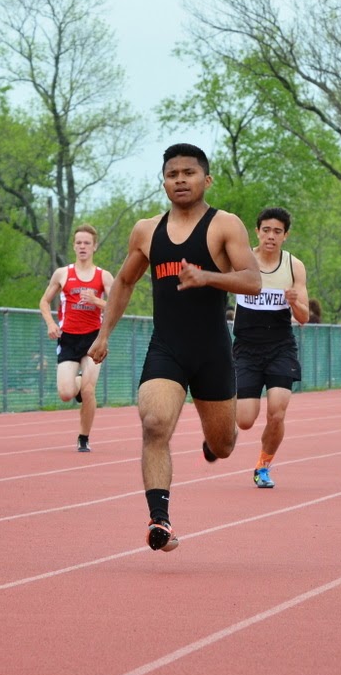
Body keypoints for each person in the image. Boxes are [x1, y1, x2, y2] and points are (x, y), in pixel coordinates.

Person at [87, 143, 260, 552]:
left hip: (213, 352)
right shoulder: (147, 230)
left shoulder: (224, 225)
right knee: (154, 423)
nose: (180, 180)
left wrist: (208, 278)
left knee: (224, 445)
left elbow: (252, 280)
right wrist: (104, 332)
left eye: (189, 173)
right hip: (167, 348)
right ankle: (159, 520)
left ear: (206, 179)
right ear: (163, 181)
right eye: (172, 174)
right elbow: (126, 282)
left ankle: (211, 440)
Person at [233, 207, 310, 489]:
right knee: (244, 420)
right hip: (247, 348)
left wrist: (294, 302)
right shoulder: (243, 260)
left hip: (280, 348)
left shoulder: (294, 266)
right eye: (266, 230)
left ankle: (263, 465)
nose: (271, 236)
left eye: (277, 232)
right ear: (257, 231)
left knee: (277, 411)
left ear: (285, 235)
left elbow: (304, 317)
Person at [38, 223, 113, 452]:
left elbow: (116, 305)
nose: (82, 247)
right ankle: (78, 383)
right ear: (74, 246)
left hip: (93, 339)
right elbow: (43, 301)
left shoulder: (103, 276)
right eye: (79, 243)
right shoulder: (63, 274)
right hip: (68, 338)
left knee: (89, 390)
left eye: (87, 243)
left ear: (94, 247)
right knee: (65, 393)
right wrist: (51, 323)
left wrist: (97, 301)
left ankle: (83, 437)